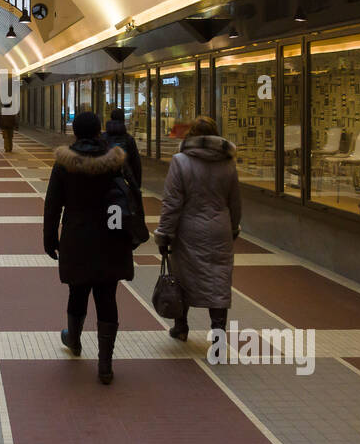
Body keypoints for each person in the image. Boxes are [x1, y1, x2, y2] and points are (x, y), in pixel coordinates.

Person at [43, 111, 134, 384]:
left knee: (78, 290)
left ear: (75, 133)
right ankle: (105, 365)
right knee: (107, 295)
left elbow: (53, 204)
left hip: (77, 236)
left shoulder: (64, 164)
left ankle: (74, 340)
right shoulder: (115, 161)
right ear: (99, 132)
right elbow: (133, 192)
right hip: (111, 236)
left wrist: (50, 239)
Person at [154, 116, 242, 344]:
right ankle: (219, 335)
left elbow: (171, 203)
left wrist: (164, 234)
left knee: (182, 277)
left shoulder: (180, 161)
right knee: (219, 281)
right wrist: (232, 228)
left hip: (188, 230)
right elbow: (235, 202)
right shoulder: (228, 163)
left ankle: (181, 327)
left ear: (192, 135)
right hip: (220, 229)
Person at [103, 108, 142, 189]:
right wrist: (136, 186)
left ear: (111, 118)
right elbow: (136, 164)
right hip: (124, 181)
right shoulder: (128, 139)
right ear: (123, 120)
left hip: (106, 181)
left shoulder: (103, 137)